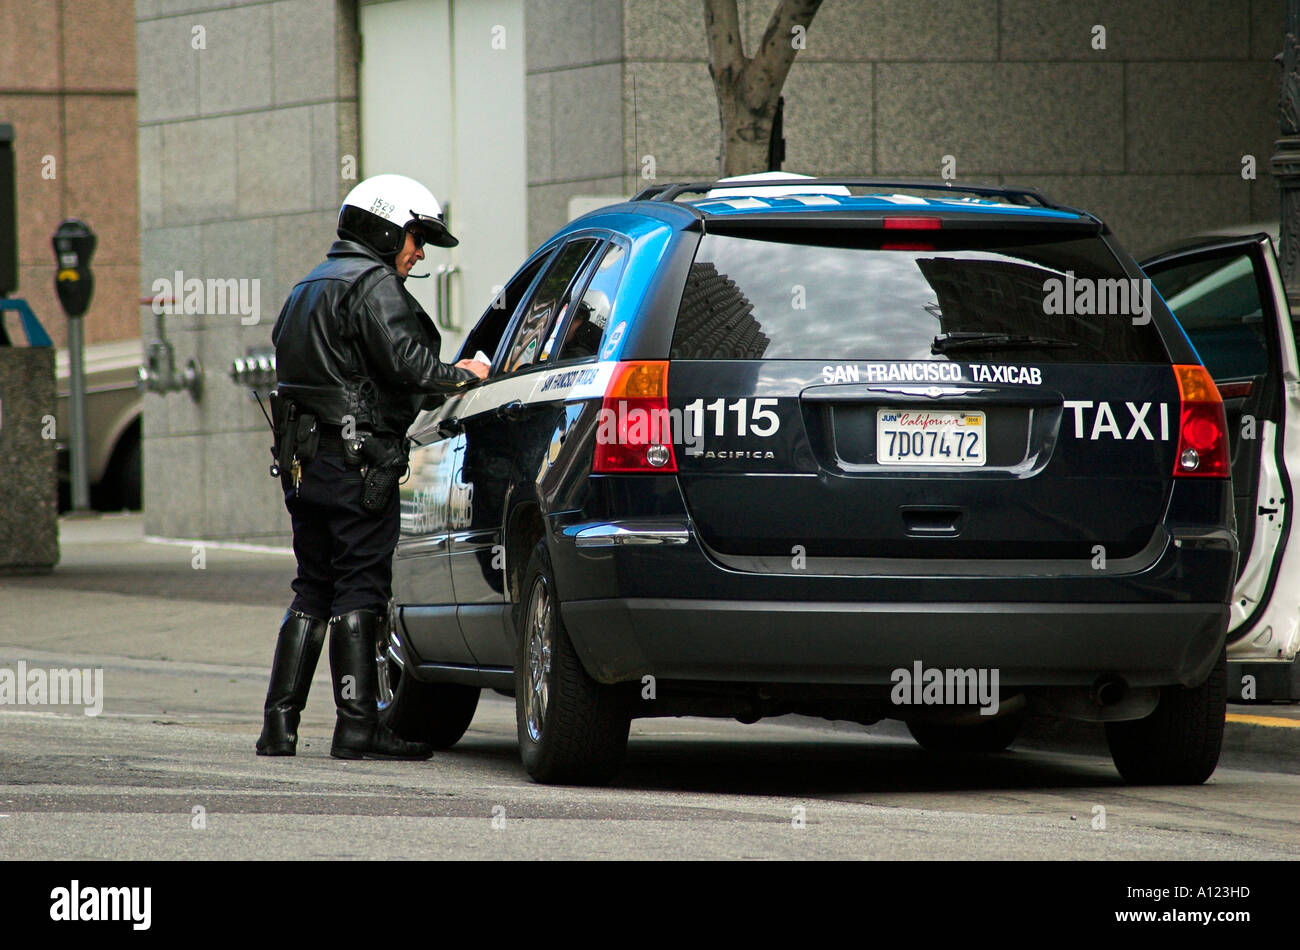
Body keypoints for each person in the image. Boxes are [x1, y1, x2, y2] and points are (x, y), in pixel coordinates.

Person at [256, 174, 488, 760]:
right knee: (360, 589)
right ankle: (358, 725)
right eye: (415, 237)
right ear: (386, 230)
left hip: (305, 466)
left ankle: (278, 726)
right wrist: (468, 375)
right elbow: (411, 367)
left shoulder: (308, 286)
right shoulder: (373, 282)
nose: (419, 252)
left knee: (312, 589)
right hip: (358, 464)